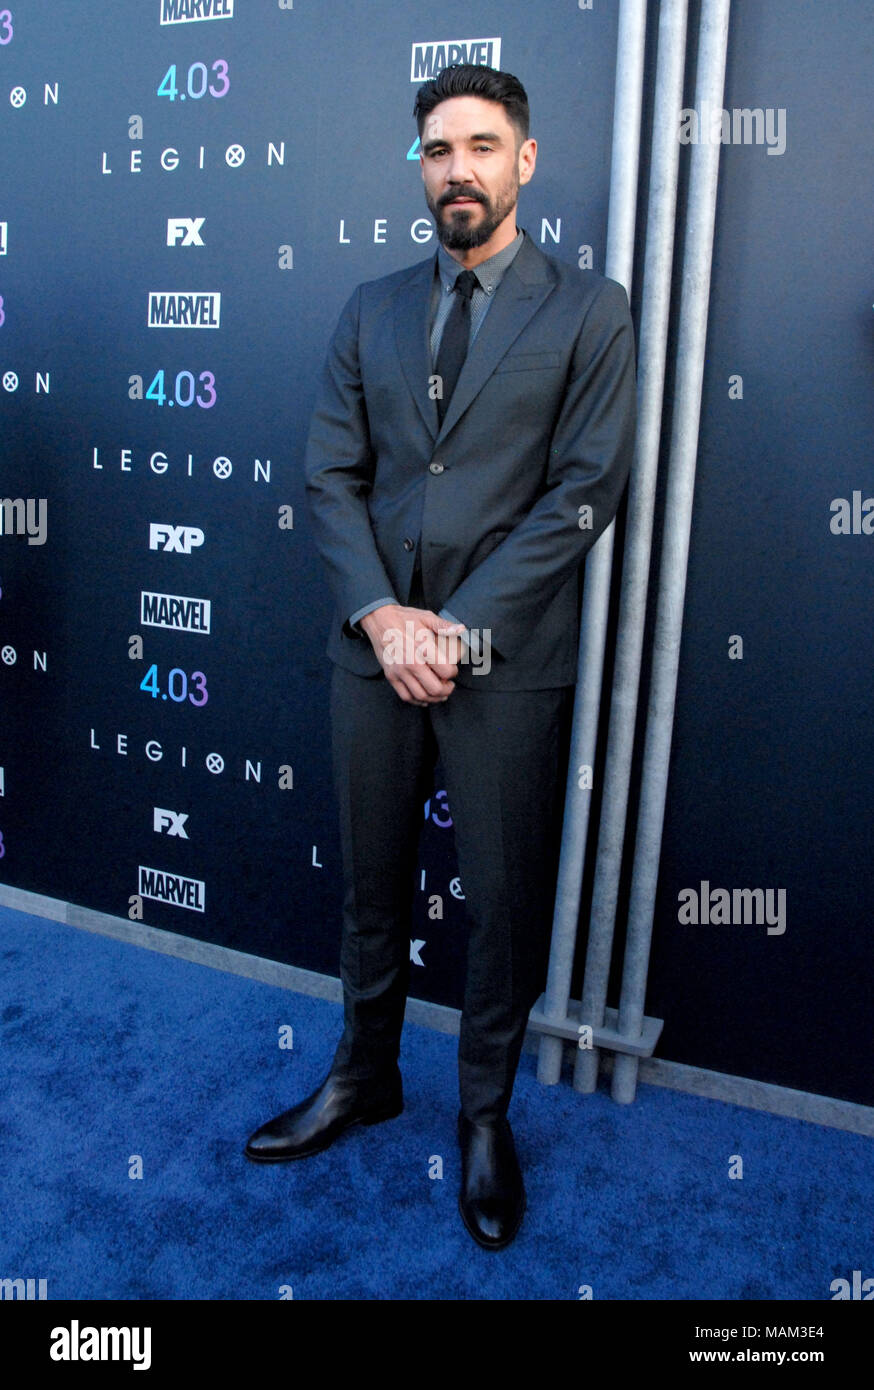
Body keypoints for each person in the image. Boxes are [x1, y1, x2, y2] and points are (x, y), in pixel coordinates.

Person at [246, 64, 637, 1250]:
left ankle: (482, 1119)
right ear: (419, 170)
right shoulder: (370, 307)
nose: (455, 168)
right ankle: (363, 1076)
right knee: (371, 884)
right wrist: (382, 617)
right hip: (374, 655)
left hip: (502, 663)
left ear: (523, 162)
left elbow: (583, 493)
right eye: (435, 150)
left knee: (502, 907)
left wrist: (450, 629)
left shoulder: (589, 307)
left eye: (479, 145)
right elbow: (331, 475)